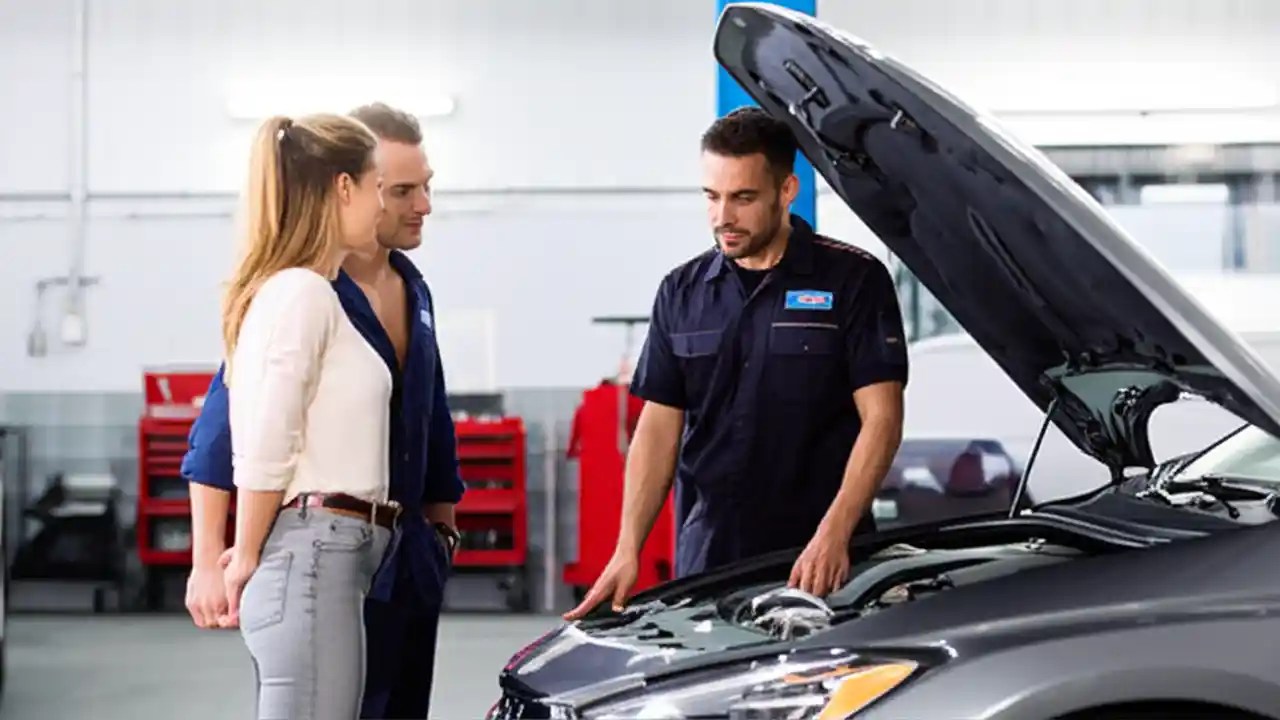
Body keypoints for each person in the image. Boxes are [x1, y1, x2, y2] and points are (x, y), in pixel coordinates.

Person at [565, 107, 908, 620]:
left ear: (786, 190)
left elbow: (882, 418)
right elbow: (658, 428)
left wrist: (835, 532)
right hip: (710, 559)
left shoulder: (853, 280)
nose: (723, 216)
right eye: (712, 196)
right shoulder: (680, 292)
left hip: (822, 559)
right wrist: (627, 547)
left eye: (743, 198)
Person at [182, 103, 464, 719]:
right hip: (321, 545)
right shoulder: (305, 295)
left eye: (426, 187)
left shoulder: (414, 291)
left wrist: (441, 535)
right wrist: (223, 557)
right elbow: (238, 437)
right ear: (350, 188)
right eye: (394, 189)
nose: (420, 206)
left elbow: (431, 419)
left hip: (392, 547)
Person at [219, 111, 391, 718]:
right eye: (377, 187)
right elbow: (269, 437)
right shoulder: (302, 293)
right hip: (312, 558)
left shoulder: (309, 292)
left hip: (326, 560)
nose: (382, 206)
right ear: (343, 187)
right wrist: (242, 555)